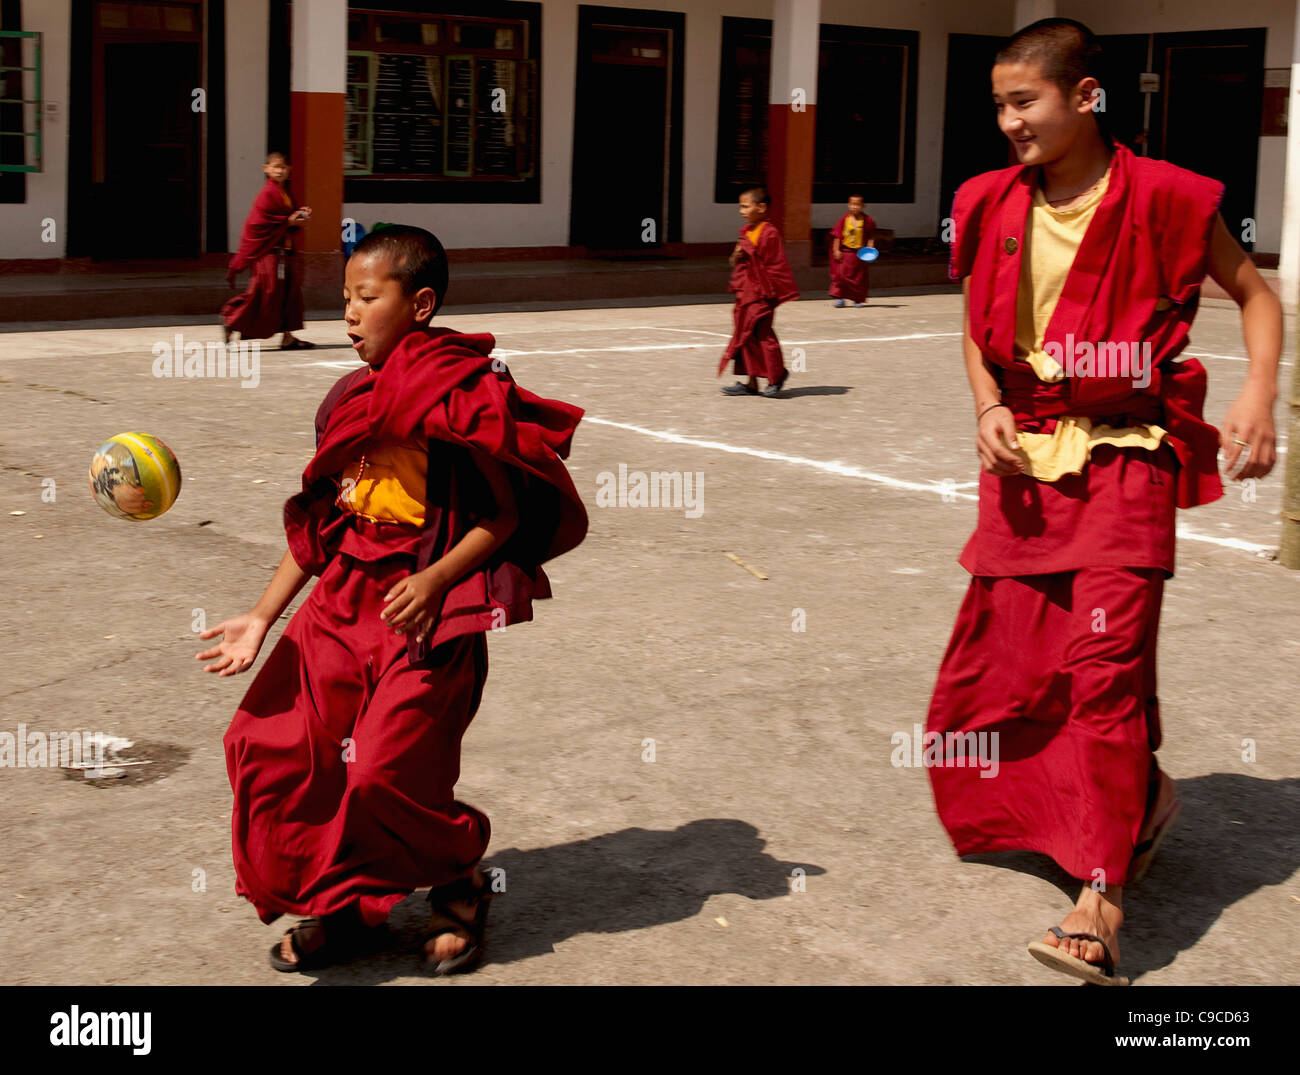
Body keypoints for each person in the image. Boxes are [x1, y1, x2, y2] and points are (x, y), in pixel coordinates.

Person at [928, 18, 1279, 986]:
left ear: (1086, 97)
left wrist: (1257, 392)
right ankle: (1146, 795)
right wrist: (988, 403)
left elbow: (1253, 293)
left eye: (1022, 102)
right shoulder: (989, 201)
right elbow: (976, 330)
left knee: (1105, 666)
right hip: (1027, 467)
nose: (1007, 124)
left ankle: (1099, 892)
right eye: (997, 105)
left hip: (1127, 456)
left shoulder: (1164, 196)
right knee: (1013, 664)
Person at [198, 224, 588, 975]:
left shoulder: (463, 391)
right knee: (273, 746)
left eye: (365, 297)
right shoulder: (350, 394)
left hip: (424, 612)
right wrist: (260, 614)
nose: (346, 313)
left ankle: (459, 877)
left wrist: (437, 578)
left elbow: (501, 516)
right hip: (341, 603)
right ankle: (347, 907)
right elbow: (322, 524)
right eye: (344, 296)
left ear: (420, 304)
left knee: (384, 769)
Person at [222, 151, 314, 350]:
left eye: (283, 167)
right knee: (264, 293)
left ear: (289, 170)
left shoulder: (284, 193)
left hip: (284, 252)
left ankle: (288, 337)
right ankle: (231, 320)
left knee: (289, 293)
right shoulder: (267, 194)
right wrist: (288, 220)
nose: (279, 171)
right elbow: (259, 224)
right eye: (275, 167)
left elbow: (286, 219)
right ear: (266, 169)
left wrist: (300, 215)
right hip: (268, 253)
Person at [717, 186, 799, 397]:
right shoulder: (745, 233)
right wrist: (736, 254)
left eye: (745, 206)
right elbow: (736, 262)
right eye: (740, 207)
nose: (741, 211)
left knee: (763, 335)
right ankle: (751, 382)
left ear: (761, 208)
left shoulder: (770, 233)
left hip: (762, 293)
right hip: (746, 292)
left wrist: (769, 292)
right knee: (745, 336)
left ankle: (777, 376)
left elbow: (774, 266)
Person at [829, 194, 875, 308]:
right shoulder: (844, 219)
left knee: (858, 277)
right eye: (852, 204)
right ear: (848, 205)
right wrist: (836, 250)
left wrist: (870, 249)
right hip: (845, 252)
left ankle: (857, 299)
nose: (854, 207)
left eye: (857, 204)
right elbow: (837, 236)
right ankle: (840, 298)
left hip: (859, 253)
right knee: (841, 276)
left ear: (863, 206)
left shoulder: (867, 220)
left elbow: (870, 236)